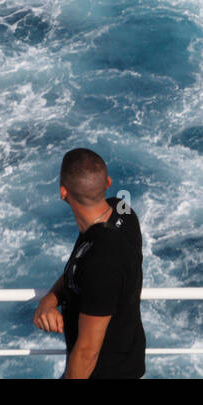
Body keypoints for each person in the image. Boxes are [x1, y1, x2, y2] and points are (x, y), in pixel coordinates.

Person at [33, 148, 146, 378]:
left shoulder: (102, 264)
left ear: (63, 192)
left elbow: (87, 352)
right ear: (108, 182)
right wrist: (50, 299)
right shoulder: (123, 212)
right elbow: (78, 269)